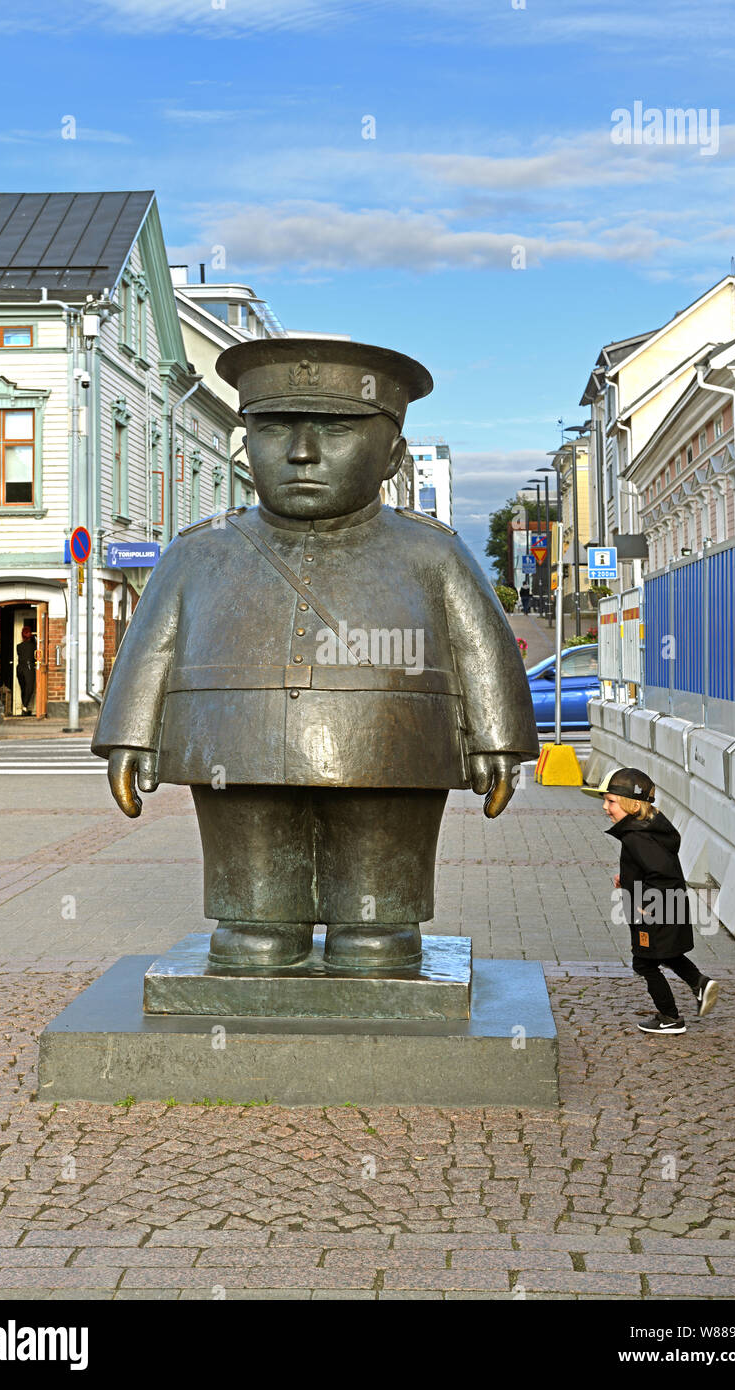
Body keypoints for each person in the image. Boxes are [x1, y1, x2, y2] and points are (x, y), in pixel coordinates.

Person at [92, 338, 540, 975]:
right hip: (234, 743)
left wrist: (498, 739)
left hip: (390, 745)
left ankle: (380, 920)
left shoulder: (432, 554)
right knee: (255, 927)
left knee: (375, 926)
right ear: (246, 445)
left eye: (334, 429)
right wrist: (128, 734)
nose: (301, 452)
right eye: (275, 428)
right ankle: (258, 915)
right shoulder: (198, 553)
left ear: (392, 455)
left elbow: (481, 646)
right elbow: (152, 644)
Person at [583, 767, 718, 1034]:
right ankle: (700, 984)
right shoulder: (650, 827)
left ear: (631, 804)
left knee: (644, 962)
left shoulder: (636, 836)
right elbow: (656, 864)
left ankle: (670, 1017)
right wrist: (629, 878)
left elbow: (661, 872)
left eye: (611, 801)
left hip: (654, 910)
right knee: (668, 953)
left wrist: (648, 904)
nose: (605, 808)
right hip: (669, 906)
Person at [16, 625, 36, 716]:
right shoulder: (33, 646)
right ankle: (24, 707)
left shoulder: (18, 646)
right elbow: (34, 657)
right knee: (30, 688)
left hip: (19, 668)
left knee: (23, 689)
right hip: (28, 667)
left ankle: (25, 708)